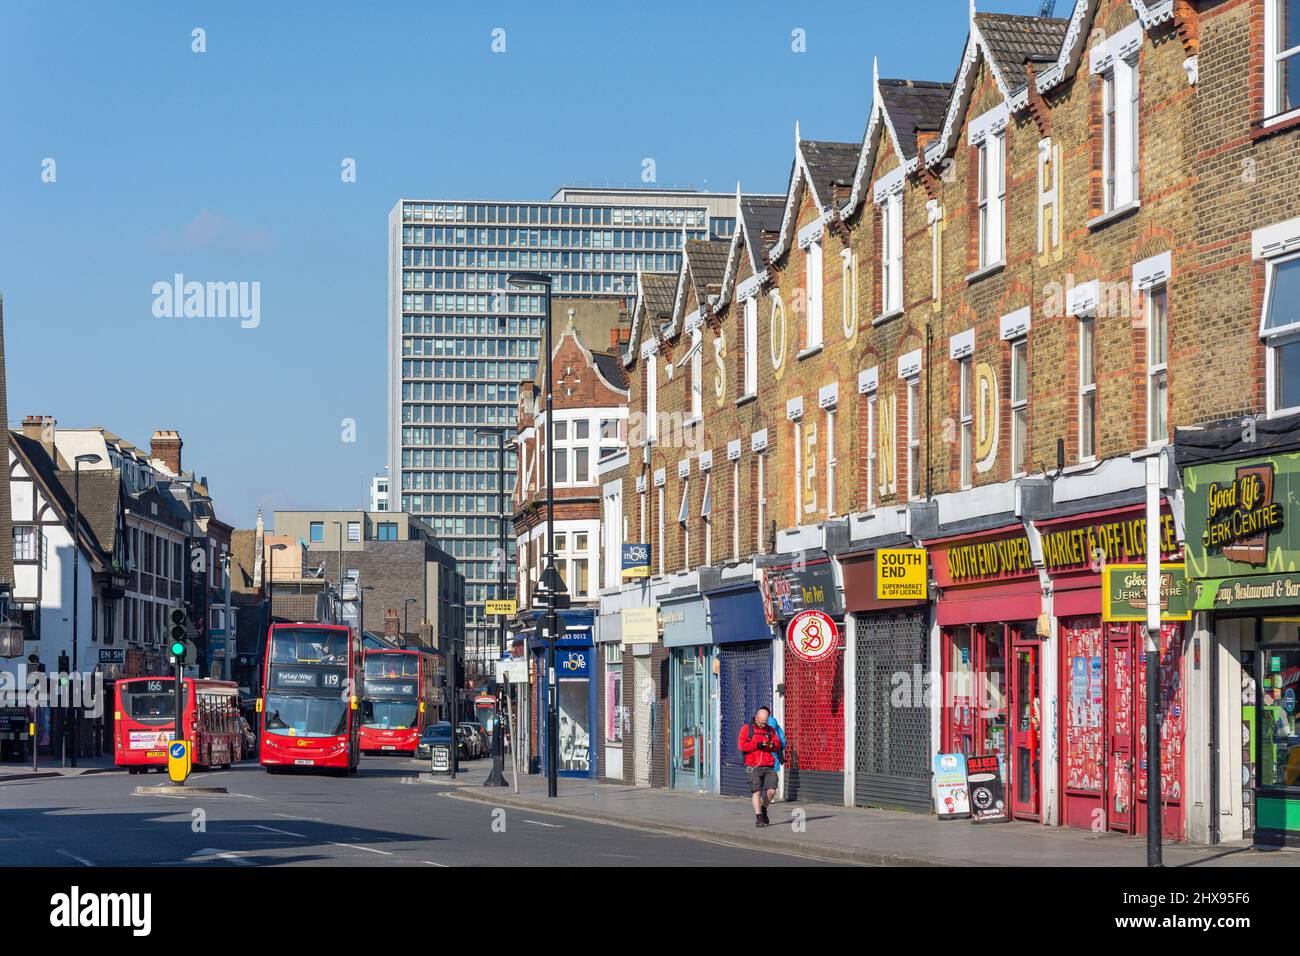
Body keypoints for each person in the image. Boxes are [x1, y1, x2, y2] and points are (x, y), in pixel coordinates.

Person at [737, 705, 783, 827]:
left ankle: (764, 808)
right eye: (762, 722)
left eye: (765, 722)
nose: (764, 724)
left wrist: (772, 744)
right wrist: (757, 745)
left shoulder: (770, 730)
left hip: (768, 765)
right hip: (753, 765)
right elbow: (742, 746)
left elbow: (778, 743)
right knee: (756, 791)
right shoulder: (747, 729)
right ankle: (759, 818)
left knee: (772, 791)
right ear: (756, 718)